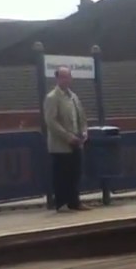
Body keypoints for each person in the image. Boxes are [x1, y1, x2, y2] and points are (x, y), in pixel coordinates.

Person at [43, 66, 90, 212]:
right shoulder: (52, 97)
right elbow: (51, 121)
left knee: (75, 173)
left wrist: (84, 132)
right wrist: (67, 137)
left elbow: (82, 116)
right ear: (57, 78)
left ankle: (75, 202)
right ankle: (61, 203)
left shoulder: (74, 97)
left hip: (77, 141)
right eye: (63, 77)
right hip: (61, 145)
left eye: (68, 76)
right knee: (62, 175)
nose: (66, 80)